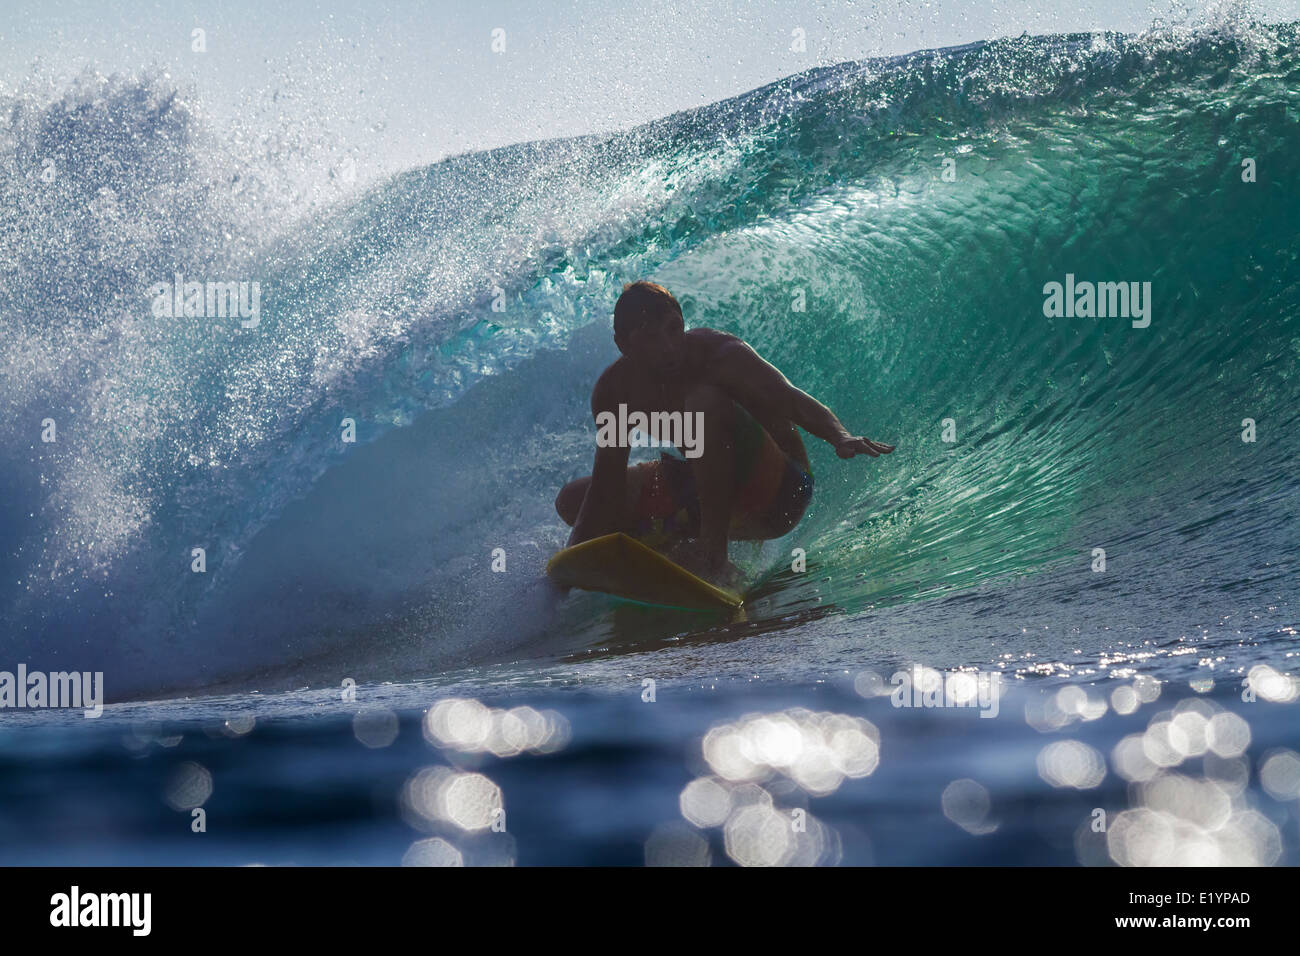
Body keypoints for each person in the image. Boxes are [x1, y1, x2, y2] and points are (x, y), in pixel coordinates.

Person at [555, 280, 895, 581]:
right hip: (708, 496)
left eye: (674, 330)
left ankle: (713, 557)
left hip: (780, 492)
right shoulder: (615, 394)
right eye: (651, 338)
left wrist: (839, 435)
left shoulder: (718, 355)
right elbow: (606, 488)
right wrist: (568, 570)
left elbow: (789, 398)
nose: (669, 347)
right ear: (623, 344)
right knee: (573, 501)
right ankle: (670, 552)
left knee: (703, 402)